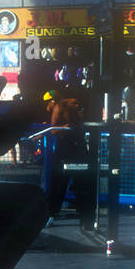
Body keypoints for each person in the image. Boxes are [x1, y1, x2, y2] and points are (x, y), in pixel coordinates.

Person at [44, 93, 96, 231]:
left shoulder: (80, 110)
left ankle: (85, 216)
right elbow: (53, 130)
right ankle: (51, 213)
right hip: (64, 148)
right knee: (59, 182)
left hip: (79, 147)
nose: (78, 106)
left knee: (82, 181)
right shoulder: (60, 108)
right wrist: (67, 126)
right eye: (76, 104)